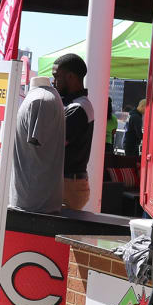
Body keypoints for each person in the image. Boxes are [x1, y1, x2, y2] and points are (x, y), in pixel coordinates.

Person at [11, 75, 65, 213]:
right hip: (33, 198)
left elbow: (36, 142)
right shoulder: (47, 97)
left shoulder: (40, 100)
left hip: (33, 202)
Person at [52, 53, 94, 210]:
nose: (53, 82)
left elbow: (52, 143)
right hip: (69, 183)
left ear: (70, 77)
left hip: (69, 185)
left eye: (56, 76)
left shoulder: (78, 108)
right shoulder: (75, 105)